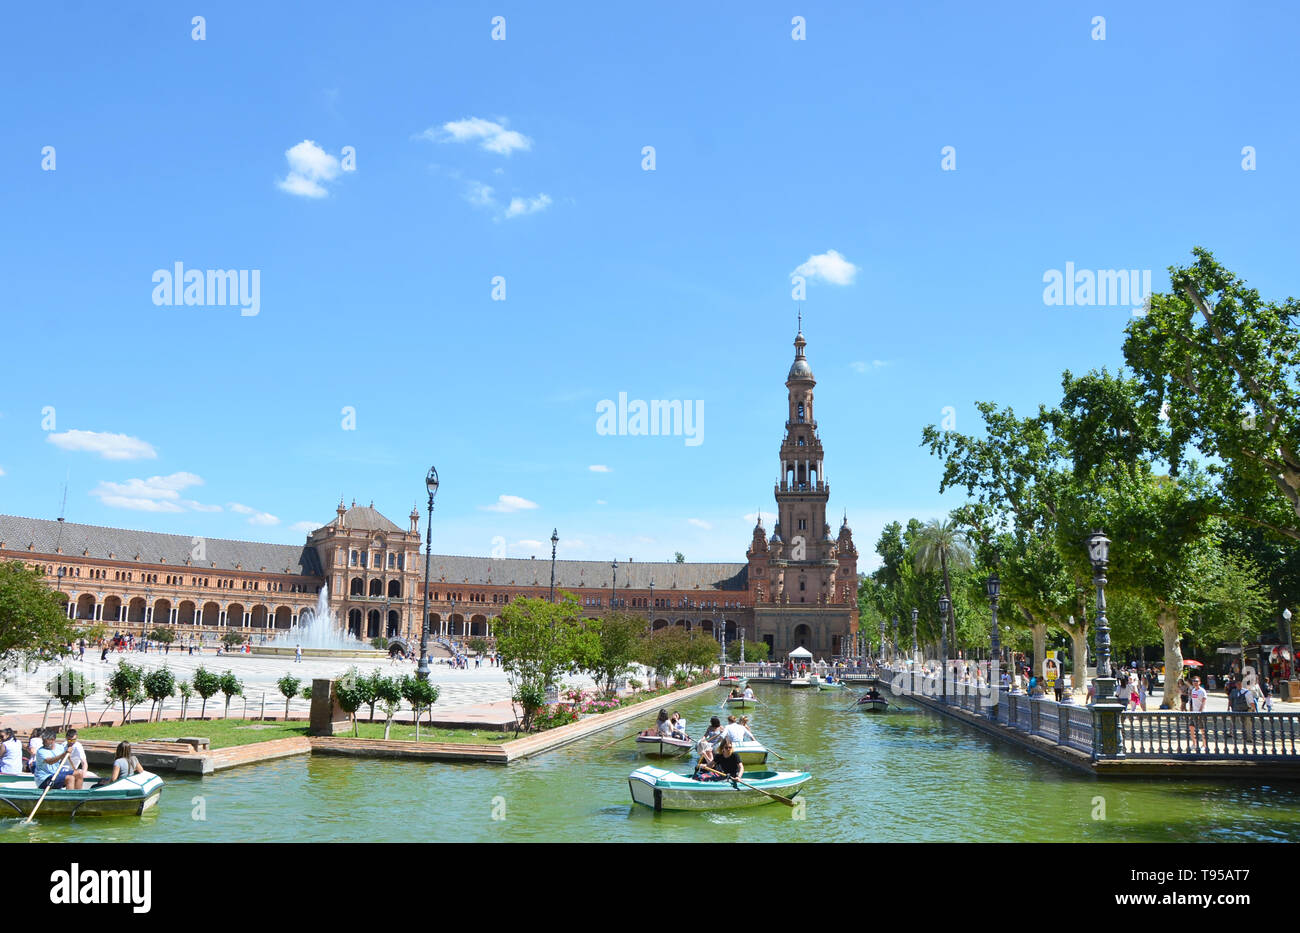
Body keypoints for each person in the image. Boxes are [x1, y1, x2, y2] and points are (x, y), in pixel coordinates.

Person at [1187, 675, 1209, 752]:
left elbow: (1204, 702)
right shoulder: (1193, 690)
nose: (1195, 682)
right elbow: (1192, 701)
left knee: (1202, 729)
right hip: (1194, 712)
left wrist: (1200, 711)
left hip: (1201, 713)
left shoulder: (1202, 691)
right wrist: (1191, 710)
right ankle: (1194, 743)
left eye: (1196, 681)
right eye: (1194, 681)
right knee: (1191, 727)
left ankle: (1204, 745)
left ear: (1199, 682)